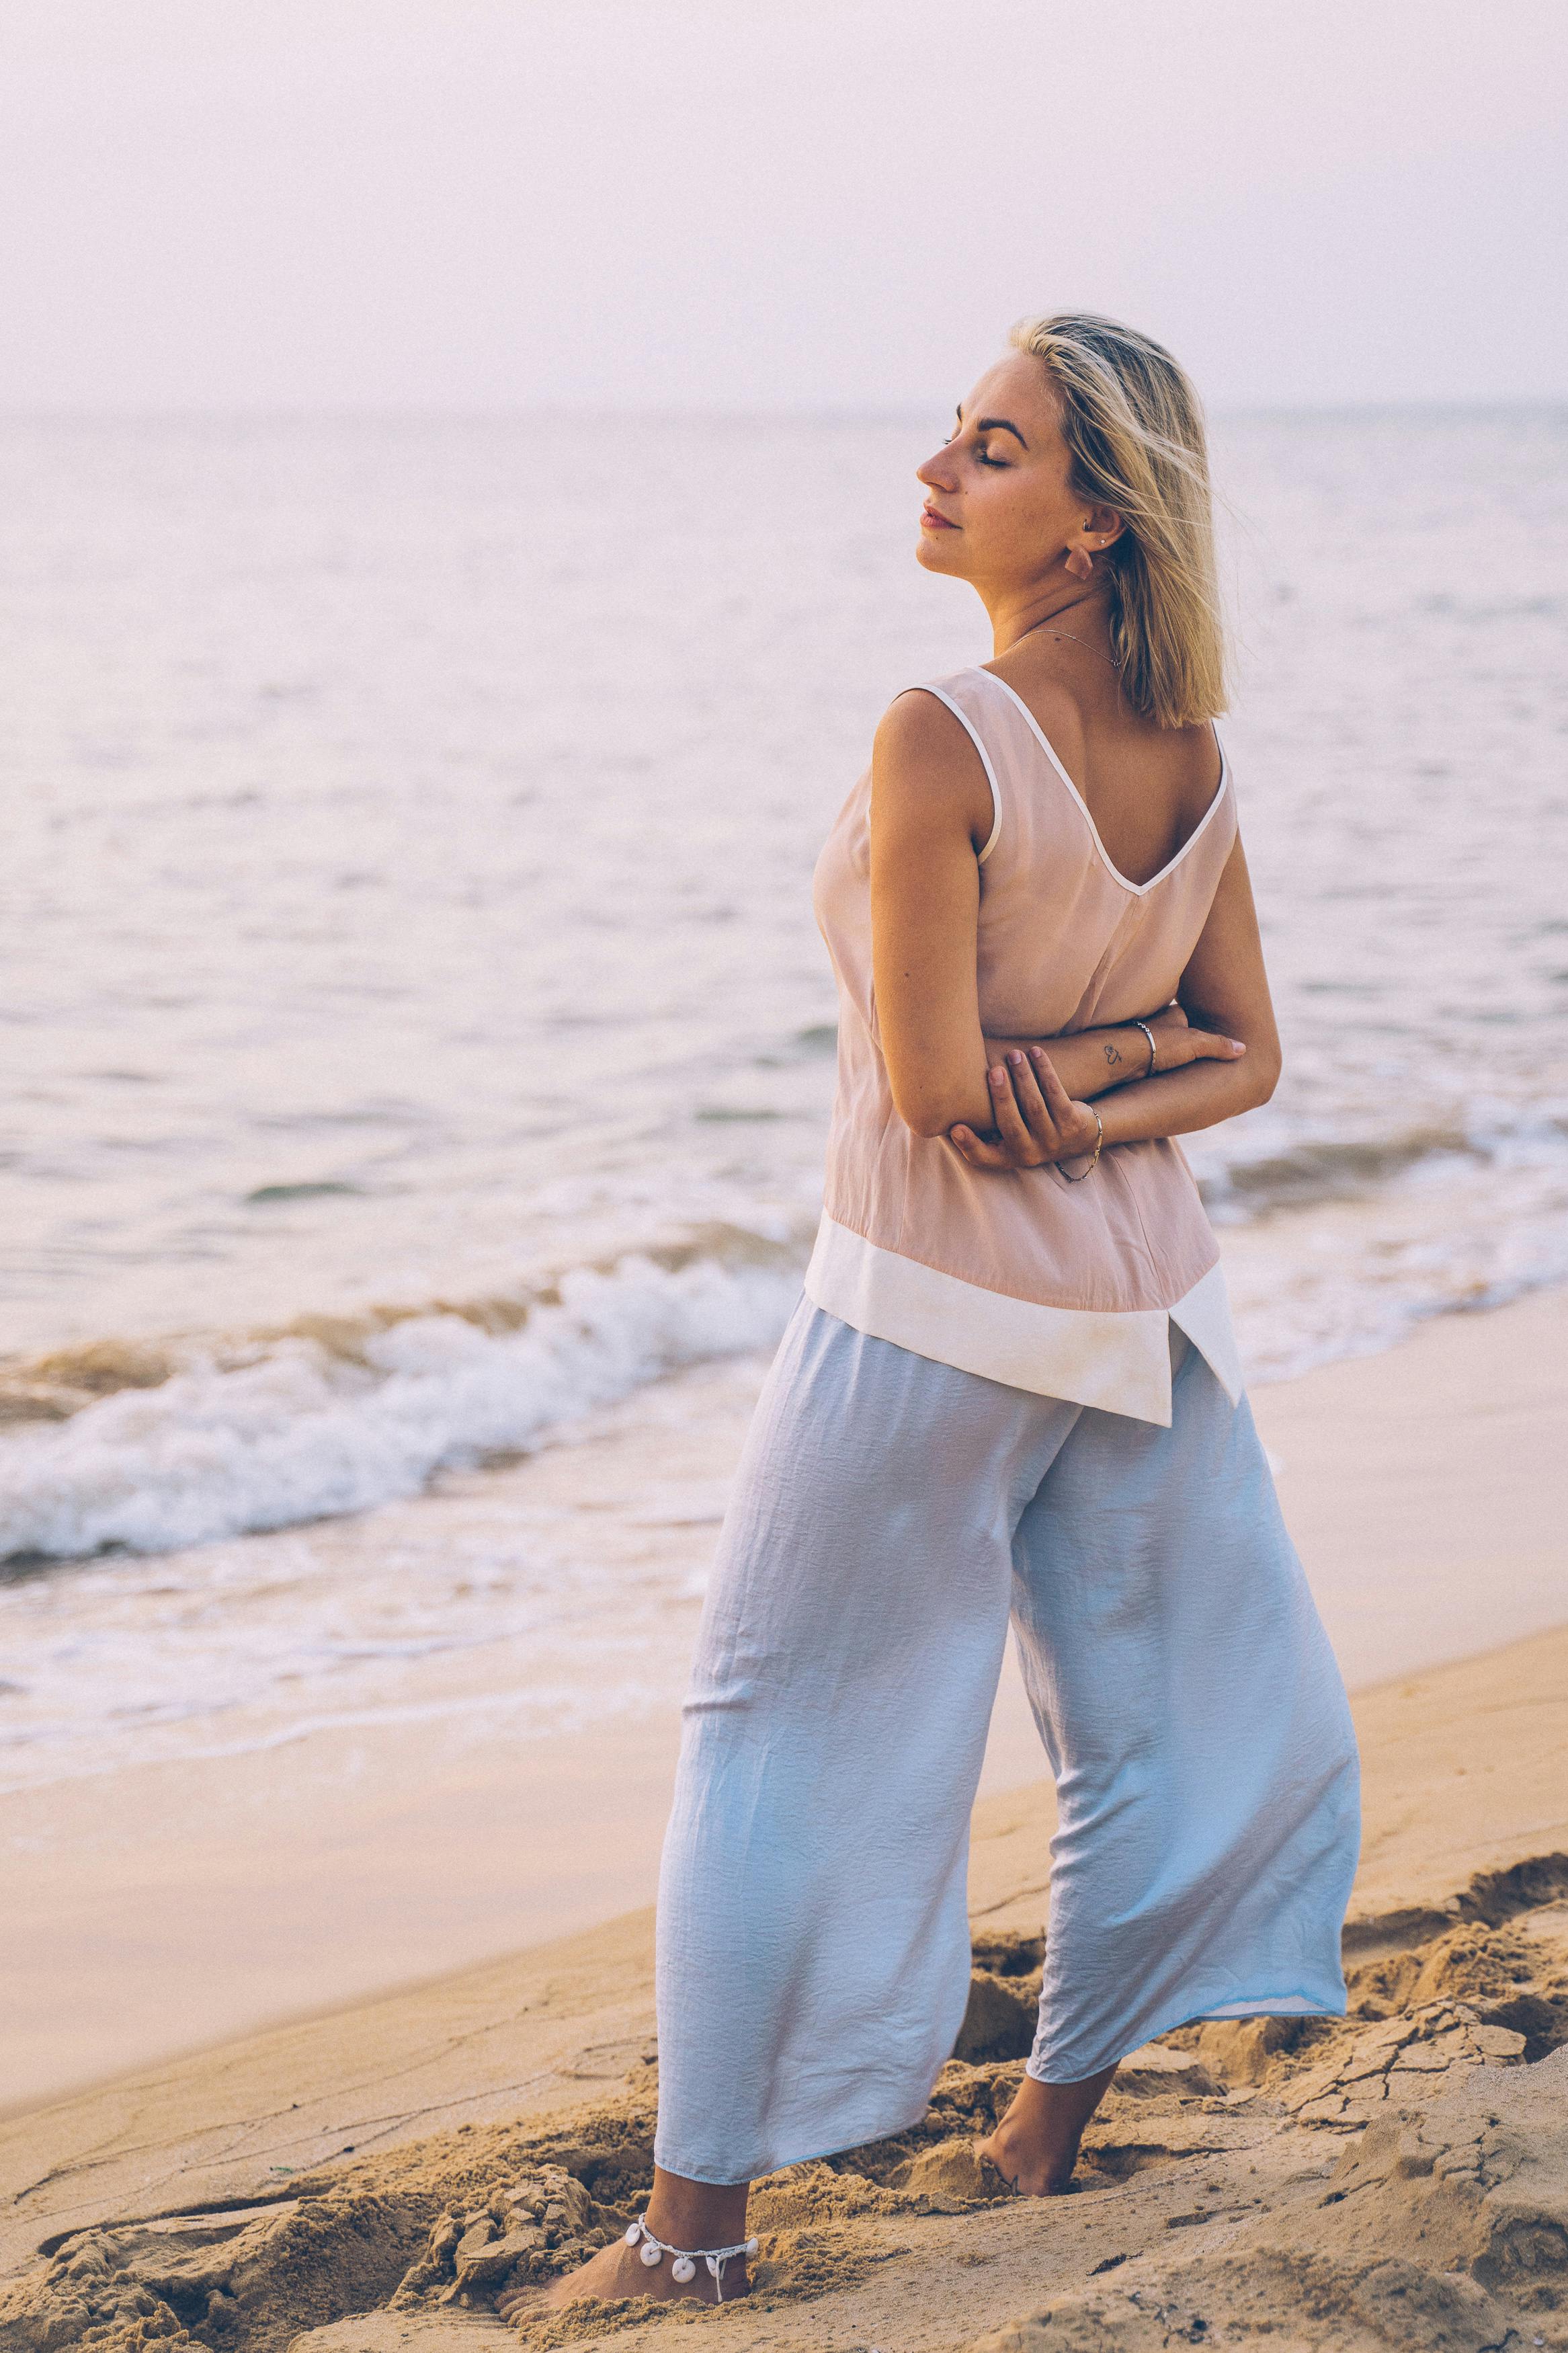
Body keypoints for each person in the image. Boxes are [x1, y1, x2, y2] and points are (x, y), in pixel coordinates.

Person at [539, 311, 1360, 2312]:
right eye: (955, 433)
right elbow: (1244, 1054)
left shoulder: (941, 732)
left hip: (928, 1310)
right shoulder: (1188, 750)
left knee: (773, 1734)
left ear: (1096, 521)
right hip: (1145, 1316)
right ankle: (1041, 2131)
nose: (936, 470)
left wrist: (1052, 1081)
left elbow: (933, 1093)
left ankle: (692, 2243)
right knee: (1146, 1725)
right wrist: (1118, 1070)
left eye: (991, 449)